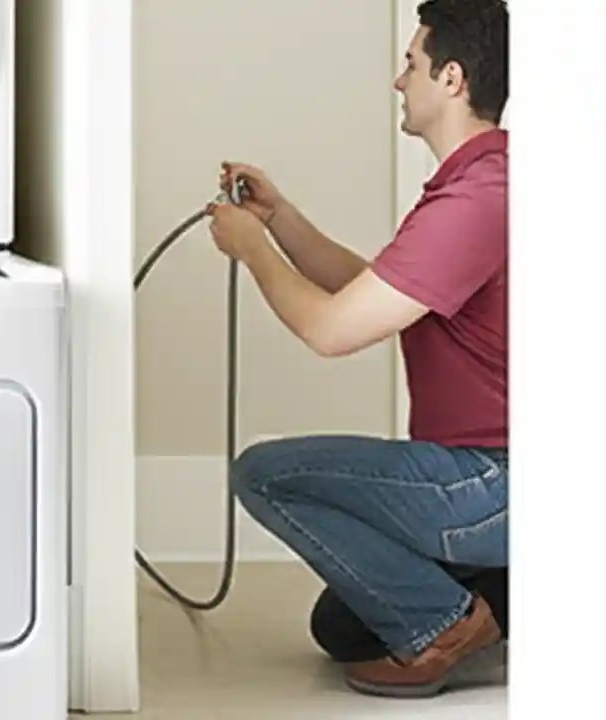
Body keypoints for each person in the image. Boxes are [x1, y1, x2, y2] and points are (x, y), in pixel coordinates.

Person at [204, 0, 509, 698]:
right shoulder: (479, 183)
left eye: (412, 64)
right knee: (344, 625)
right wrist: (278, 220)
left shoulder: (478, 200)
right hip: (491, 478)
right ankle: (495, 599)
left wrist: (253, 253)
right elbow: (367, 290)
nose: (400, 82)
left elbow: (330, 330)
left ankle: (445, 627)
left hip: (497, 481)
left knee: (266, 473)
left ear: (453, 78)